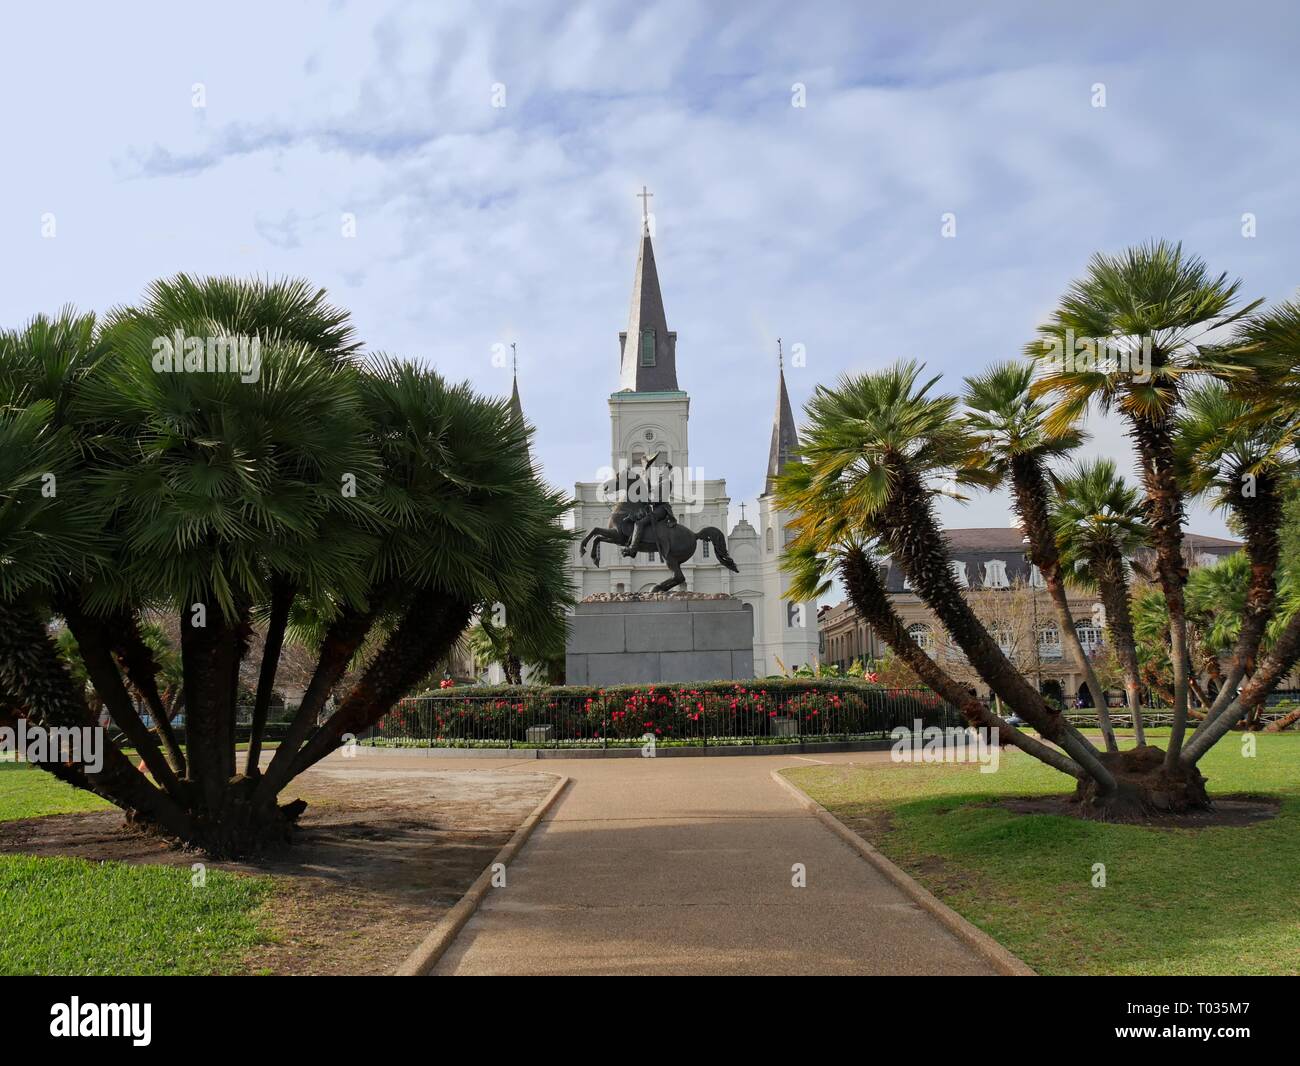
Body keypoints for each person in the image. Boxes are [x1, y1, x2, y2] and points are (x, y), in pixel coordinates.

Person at [623, 453, 676, 556]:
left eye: (662, 468)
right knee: (636, 518)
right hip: (656, 508)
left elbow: (659, 497)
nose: (660, 470)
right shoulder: (661, 482)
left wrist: (650, 501)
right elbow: (649, 490)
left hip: (661, 509)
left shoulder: (666, 481)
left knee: (639, 523)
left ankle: (632, 550)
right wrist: (645, 472)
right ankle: (630, 543)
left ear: (667, 470)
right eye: (660, 469)